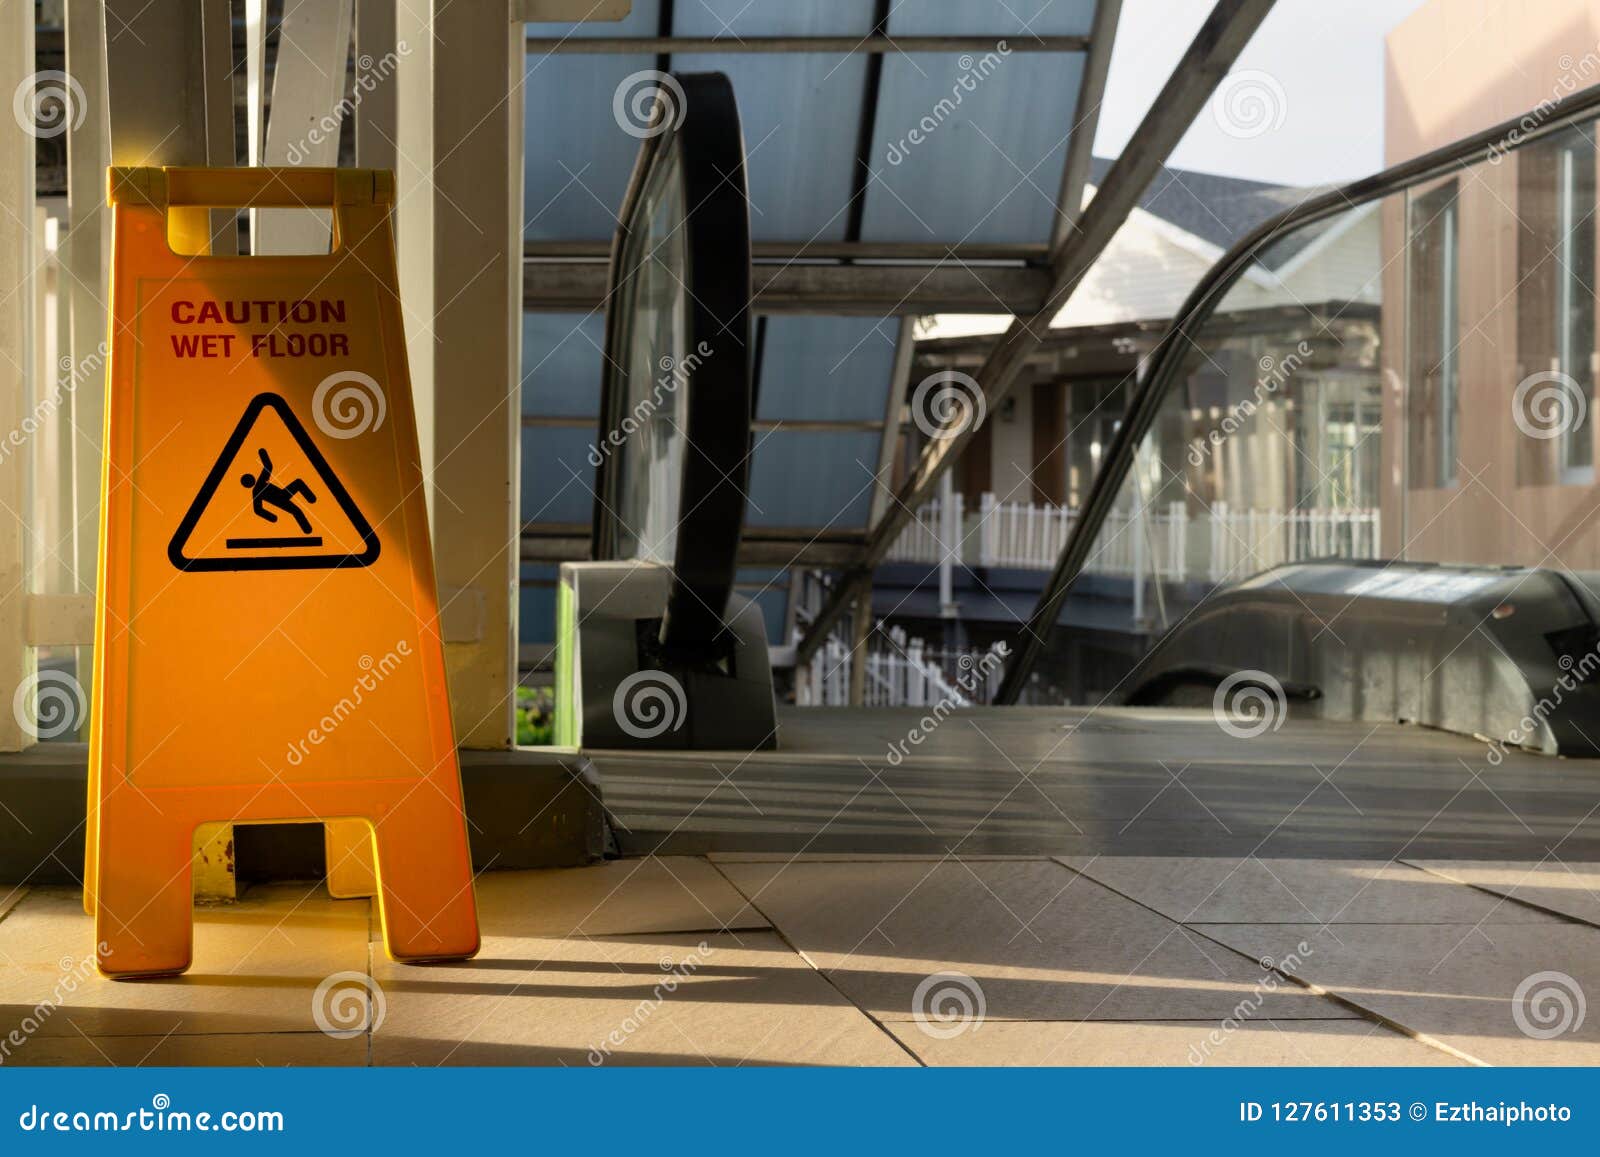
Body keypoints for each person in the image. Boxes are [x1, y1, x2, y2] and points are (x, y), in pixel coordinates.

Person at [239, 447, 316, 534]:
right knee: (296, 509)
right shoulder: (258, 487)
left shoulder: (257, 489)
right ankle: (308, 528)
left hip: (283, 495)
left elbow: (268, 466)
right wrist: (272, 517)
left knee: (298, 490)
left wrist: (272, 517)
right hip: (281, 500)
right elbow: (258, 510)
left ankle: (312, 500)